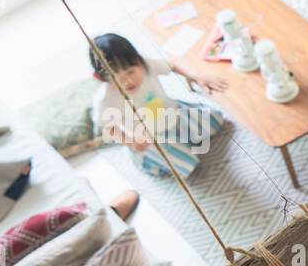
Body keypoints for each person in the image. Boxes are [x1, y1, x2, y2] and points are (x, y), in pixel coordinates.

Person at [89, 33, 227, 180]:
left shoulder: (147, 66)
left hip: (174, 114)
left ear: (139, 61)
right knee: (185, 163)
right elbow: (107, 127)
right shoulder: (105, 99)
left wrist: (196, 75)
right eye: (117, 78)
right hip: (150, 138)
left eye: (131, 72)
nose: (128, 81)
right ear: (100, 78)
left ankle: (185, 139)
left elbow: (173, 64)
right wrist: (131, 142)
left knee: (215, 120)